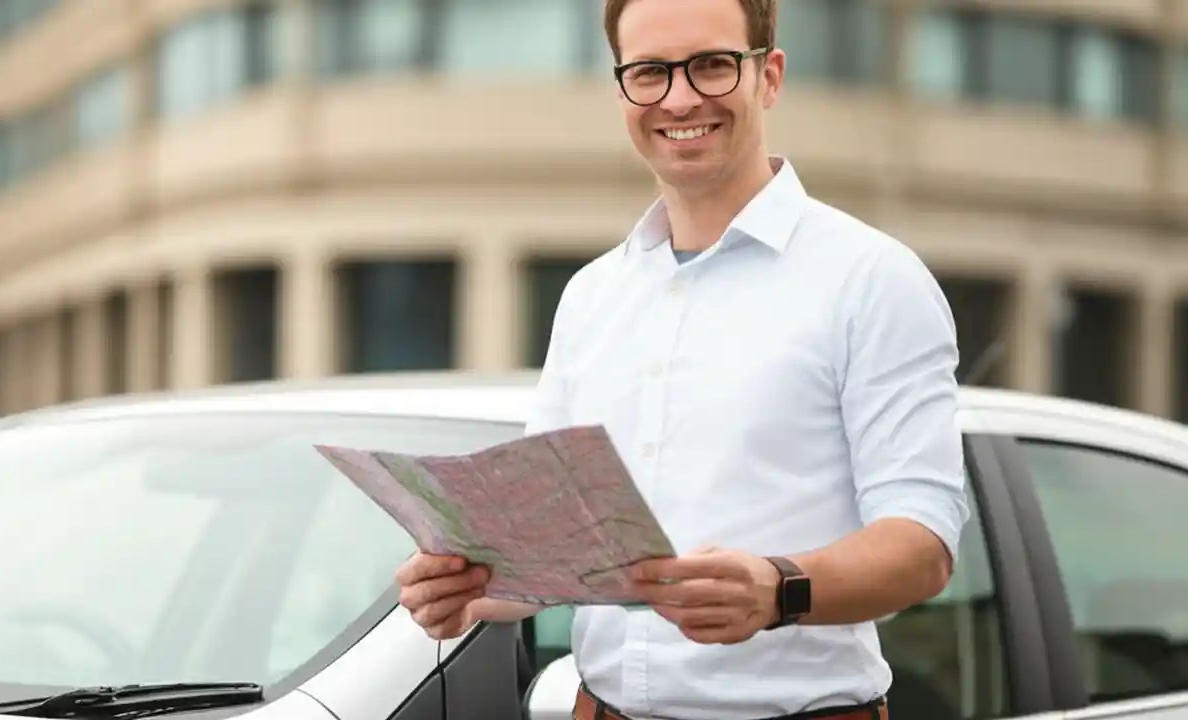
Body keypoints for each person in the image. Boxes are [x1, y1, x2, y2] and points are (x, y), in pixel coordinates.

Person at [395, 0, 970, 718]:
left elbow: (923, 543)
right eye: (650, 73)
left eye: (711, 65)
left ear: (769, 76)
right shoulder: (591, 296)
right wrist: (472, 586)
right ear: (622, 91)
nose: (680, 98)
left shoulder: (872, 279)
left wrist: (780, 588)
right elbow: (558, 551)